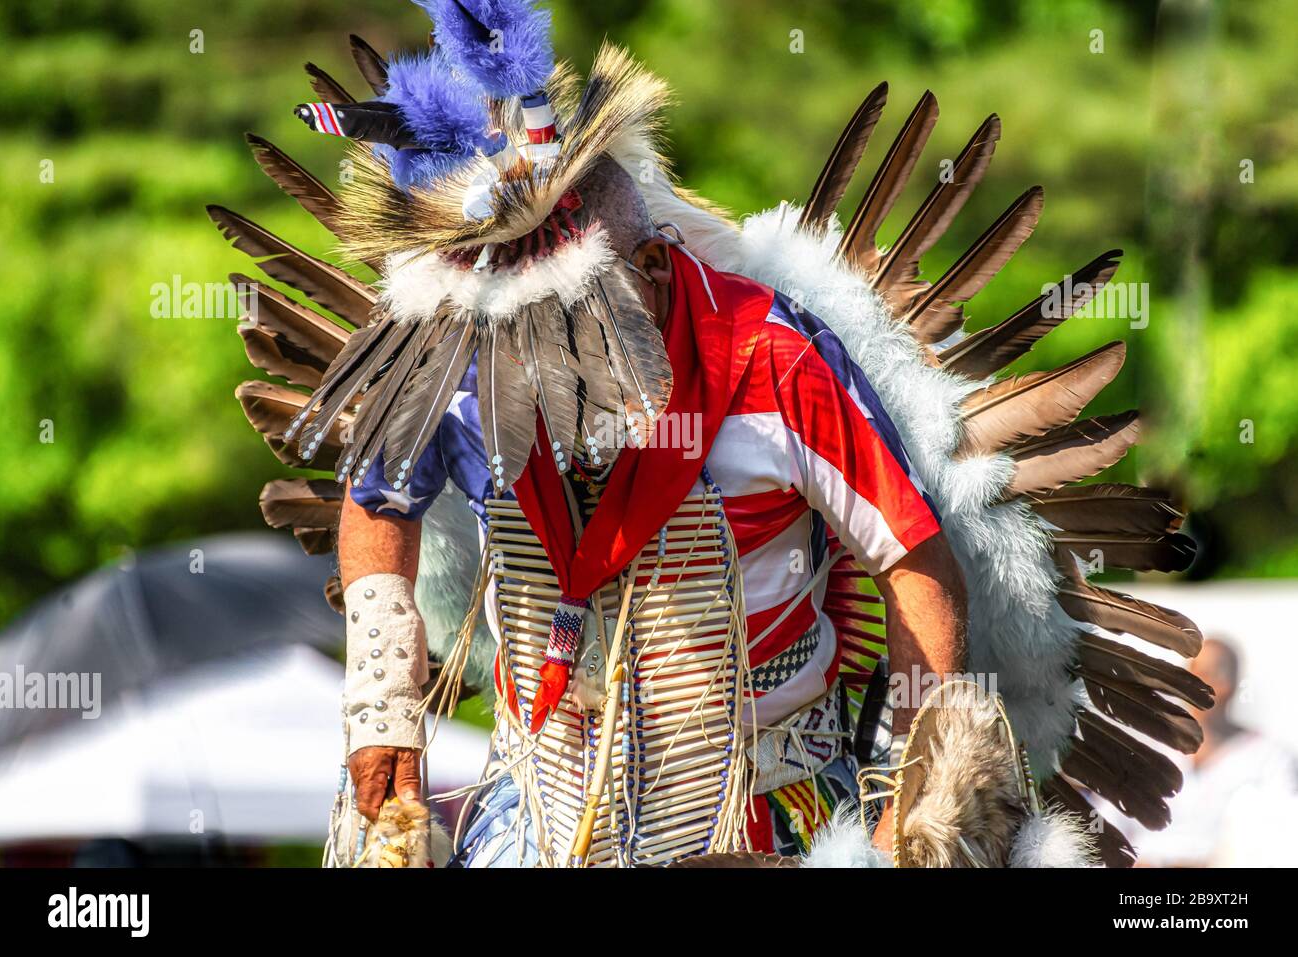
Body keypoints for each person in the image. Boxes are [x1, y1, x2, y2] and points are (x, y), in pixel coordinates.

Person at [215, 0, 1206, 867]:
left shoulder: (767, 360)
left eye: (554, 324)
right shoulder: (456, 350)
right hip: (543, 802)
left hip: (764, 803)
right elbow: (376, 498)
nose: (525, 353)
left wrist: (933, 790)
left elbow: (911, 554)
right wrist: (384, 716)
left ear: (645, 269)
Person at [1133, 638, 1298, 867]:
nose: (1202, 684)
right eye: (1196, 673)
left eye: (1215, 674)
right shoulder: (1151, 751)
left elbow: (1281, 836)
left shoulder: (1270, 759)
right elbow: (1107, 821)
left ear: (1234, 684)